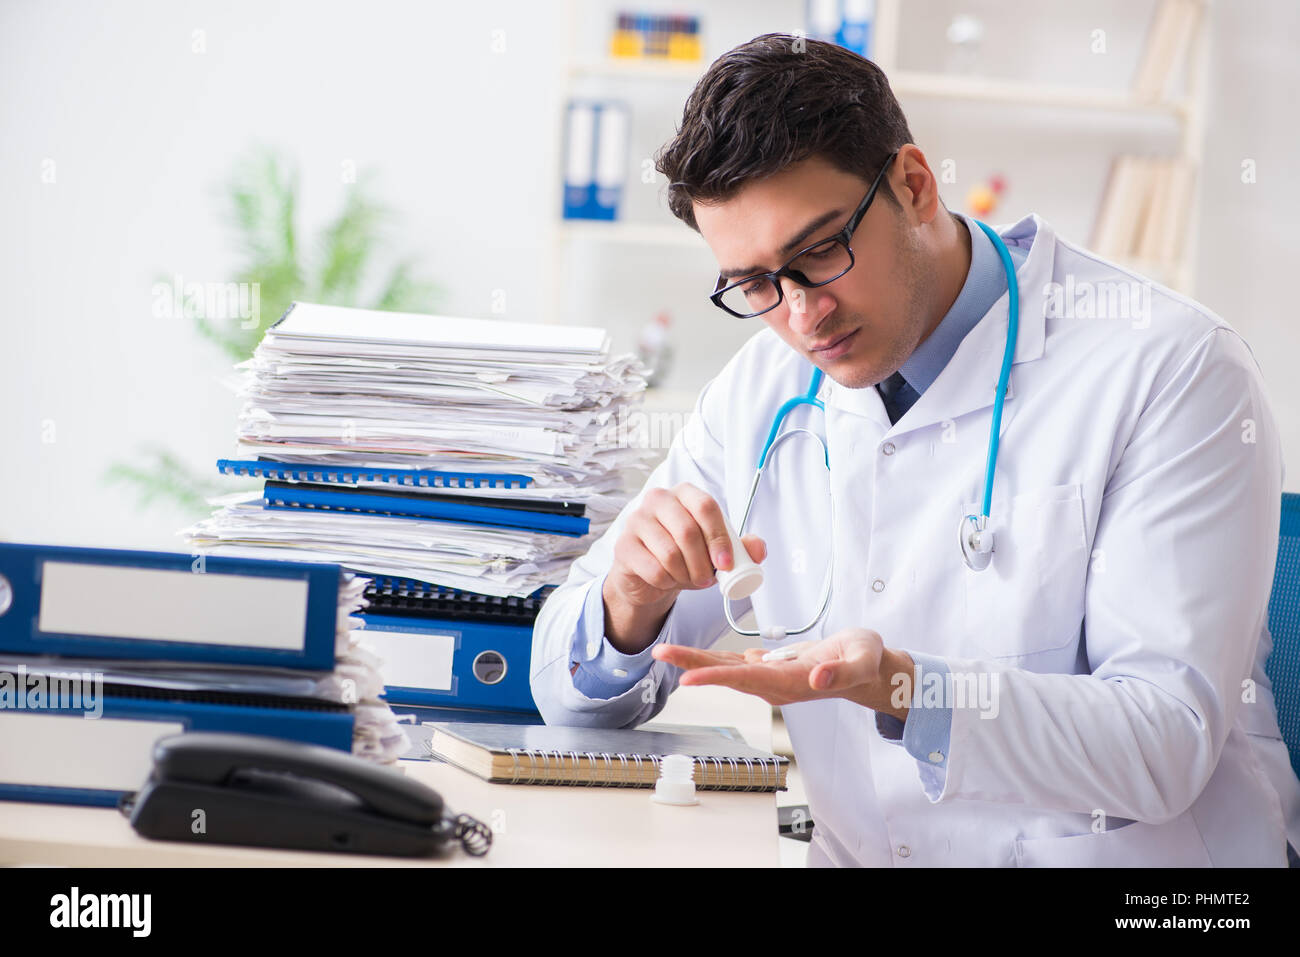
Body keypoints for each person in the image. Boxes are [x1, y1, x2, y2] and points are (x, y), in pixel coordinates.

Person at [529, 33, 1300, 866]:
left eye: (821, 251)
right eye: (754, 283)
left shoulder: (1171, 369)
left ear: (914, 185)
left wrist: (908, 691)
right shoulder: (764, 390)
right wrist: (627, 606)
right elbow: (570, 697)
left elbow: (1162, 745)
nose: (801, 315)